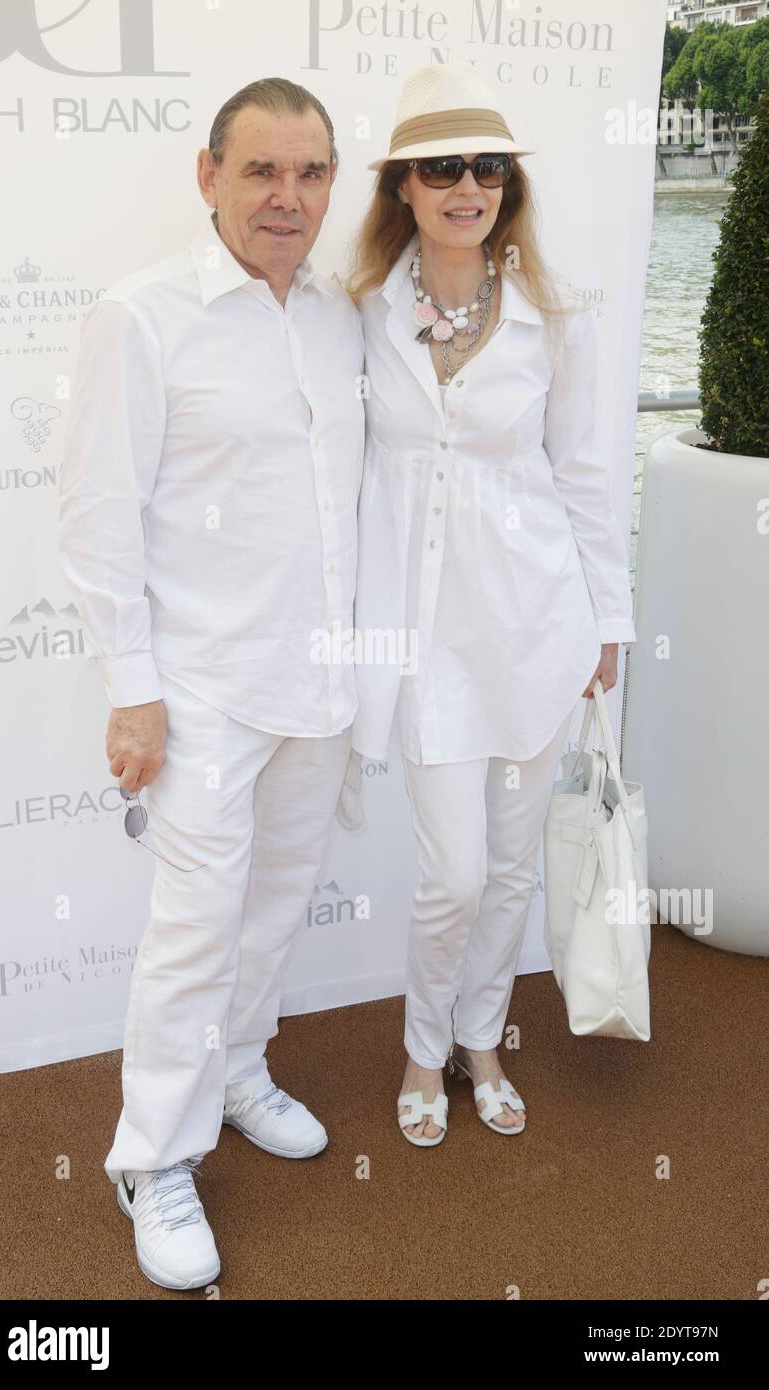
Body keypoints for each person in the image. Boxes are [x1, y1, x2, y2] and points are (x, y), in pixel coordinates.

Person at [57, 77, 365, 1287]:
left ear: (332, 184)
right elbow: (97, 516)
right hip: (199, 691)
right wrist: (132, 687)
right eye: (260, 171)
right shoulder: (141, 316)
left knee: (278, 901)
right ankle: (154, 1155)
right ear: (208, 176)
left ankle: (238, 1066)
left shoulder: (339, 315)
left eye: (310, 174)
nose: (286, 198)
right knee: (192, 929)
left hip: (317, 679)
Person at [345, 65, 637, 1147]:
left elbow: (587, 474)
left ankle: (481, 1037)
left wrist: (607, 617)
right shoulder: (360, 314)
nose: (465, 185)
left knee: (510, 865)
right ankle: (423, 1046)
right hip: (421, 640)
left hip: (531, 627)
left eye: (485, 167)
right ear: (405, 189)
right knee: (452, 873)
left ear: (506, 187)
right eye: (441, 167)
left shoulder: (554, 316)